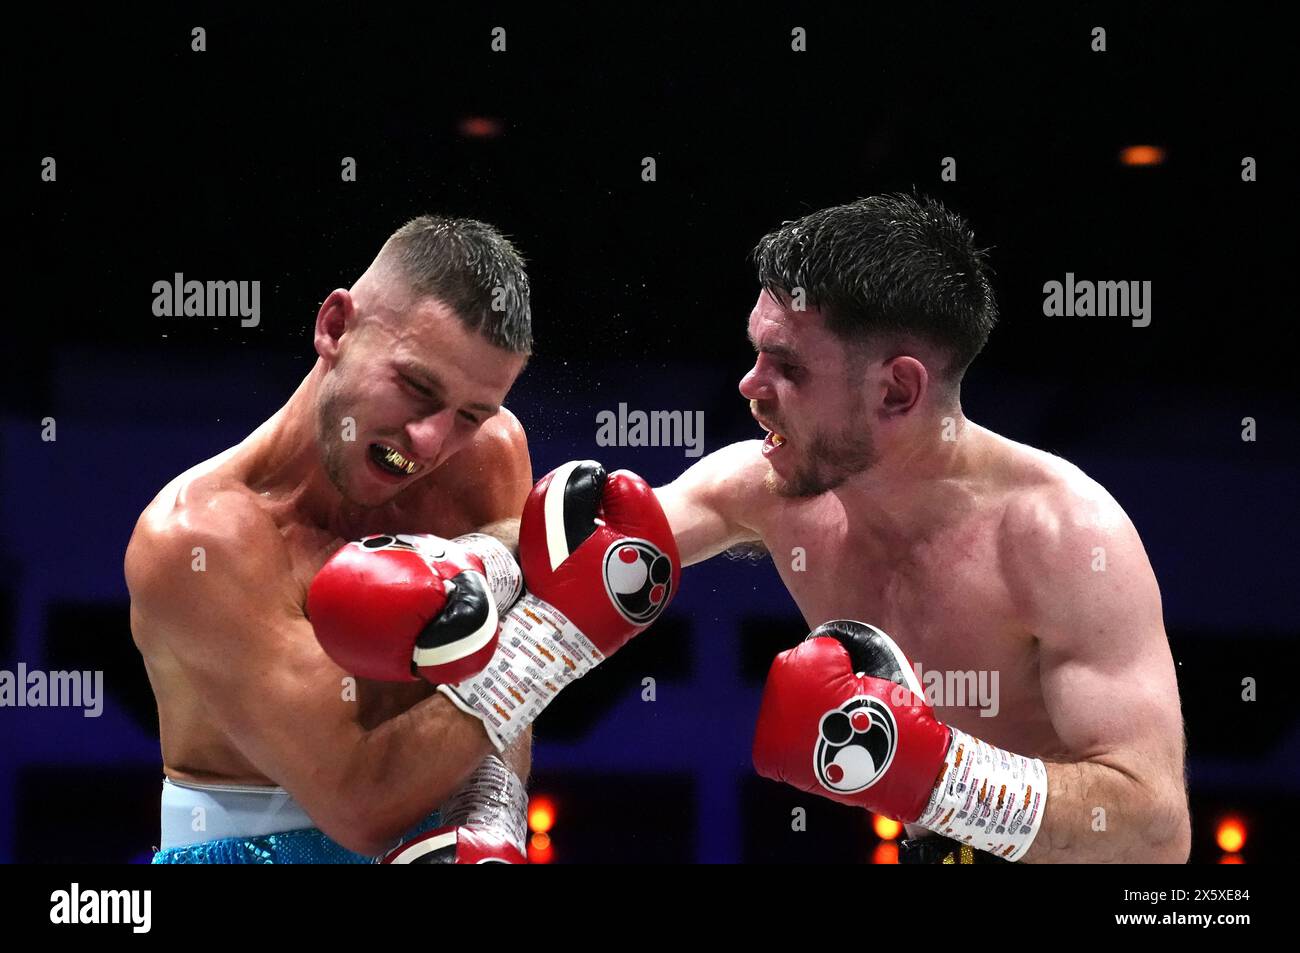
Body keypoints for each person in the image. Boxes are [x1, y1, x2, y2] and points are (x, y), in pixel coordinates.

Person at [126, 214, 679, 863]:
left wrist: (491, 818)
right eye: (416, 387)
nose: (430, 441)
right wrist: (558, 631)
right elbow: (359, 801)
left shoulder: (485, 454)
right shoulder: (198, 541)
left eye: (470, 413)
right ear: (335, 327)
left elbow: (493, 703)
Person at [656, 193, 1190, 862]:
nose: (748, 384)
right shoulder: (772, 485)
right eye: (756, 354)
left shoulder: (1062, 534)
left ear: (896, 391)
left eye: (787, 366)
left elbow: (1154, 829)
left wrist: (937, 775)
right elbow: (574, 554)